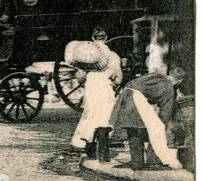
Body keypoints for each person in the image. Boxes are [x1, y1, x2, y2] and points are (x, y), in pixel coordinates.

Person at [111, 68, 184, 170]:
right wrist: (162, 125)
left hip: (126, 94)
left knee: (133, 129)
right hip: (136, 98)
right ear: (179, 81)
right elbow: (165, 113)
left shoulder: (156, 75)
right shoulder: (169, 88)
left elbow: (134, 84)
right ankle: (153, 161)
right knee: (157, 129)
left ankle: (137, 162)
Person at [69, 28, 121, 159]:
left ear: (92, 38)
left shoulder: (86, 55)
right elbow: (118, 78)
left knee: (91, 117)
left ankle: (90, 151)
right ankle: (103, 155)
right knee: (104, 119)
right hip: (105, 89)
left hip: (91, 89)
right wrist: (114, 84)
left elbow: (79, 77)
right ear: (106, 37)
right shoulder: (113, 56)